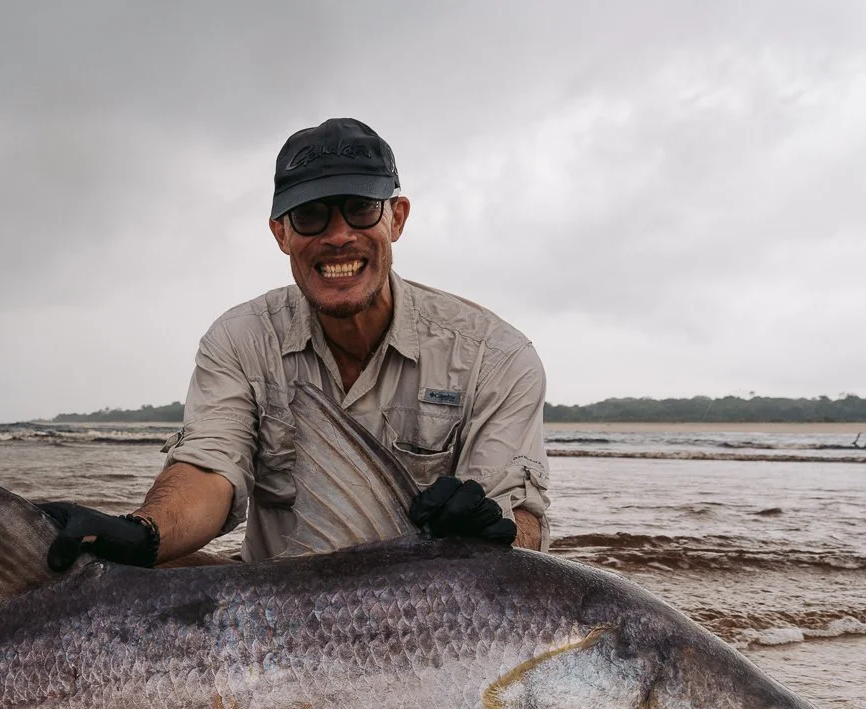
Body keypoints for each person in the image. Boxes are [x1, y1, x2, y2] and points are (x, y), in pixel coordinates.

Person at [41, 118, 549, 573]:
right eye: (310, 217)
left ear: (397, 217)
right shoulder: (239, 339)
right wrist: (143, 533)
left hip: (433, 627)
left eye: (359, 210)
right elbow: (210, 469)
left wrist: (494, 534)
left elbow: (520, 517)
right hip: (271, 625)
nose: (338, 236)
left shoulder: (496, 356)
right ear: (281, 232)